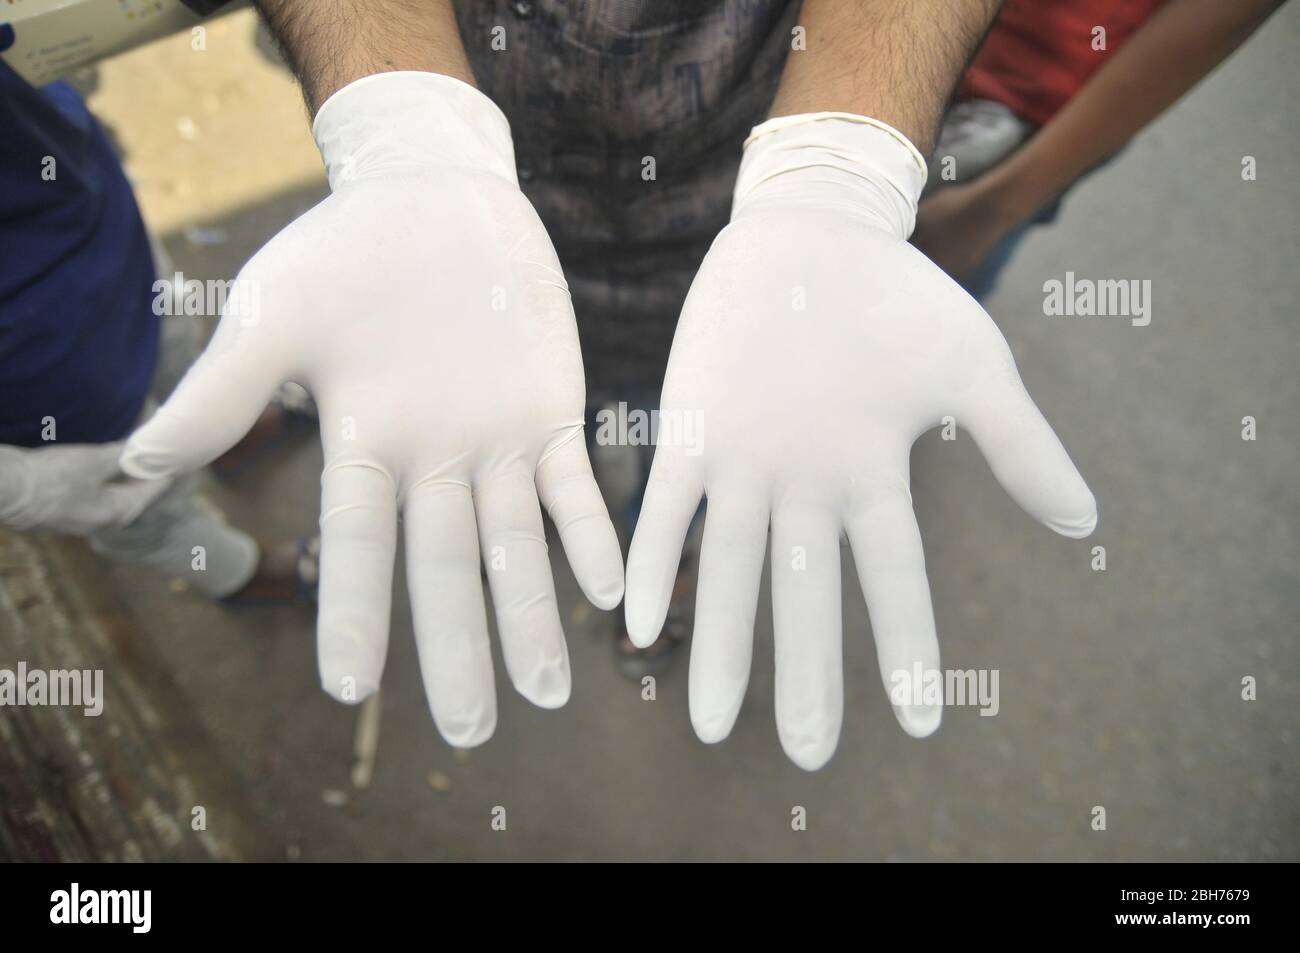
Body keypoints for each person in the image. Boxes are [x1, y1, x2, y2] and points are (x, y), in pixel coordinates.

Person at [117, 0, 1104, 769]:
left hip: (751, 205)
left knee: (737, 445)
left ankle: (666, 561)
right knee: (544, 433)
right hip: (484, 196)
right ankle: (575, 508)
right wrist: (401, 122)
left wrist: (840, 160)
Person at [0, 59, 313, 603]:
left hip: (91, 218)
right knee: (146, 507)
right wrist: (17, 485)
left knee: (188, 369)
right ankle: (245, 575)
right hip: (45, 380)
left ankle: (225, 441)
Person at [914, 0, 1285, 300]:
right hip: (918, 50)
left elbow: (1227, 16)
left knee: (930, 295)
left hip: (1025, 116)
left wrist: (994, 207)